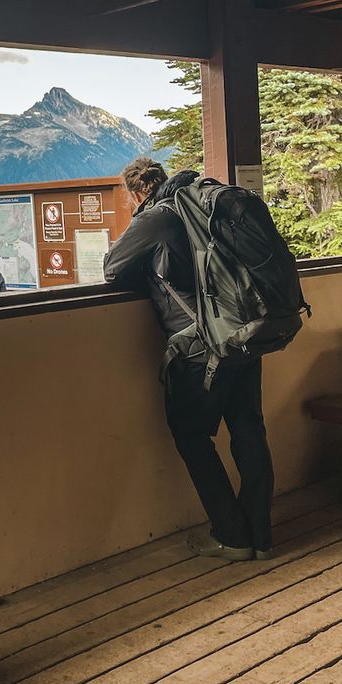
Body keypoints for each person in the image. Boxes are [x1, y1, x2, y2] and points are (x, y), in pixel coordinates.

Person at [102, 157, 274, 563]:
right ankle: (261, 536)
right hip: (245, 335)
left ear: (137, 192)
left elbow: (112, 268)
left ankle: (232, 535)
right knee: (248, 427)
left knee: (192, 435)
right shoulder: (204, 205)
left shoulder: (155, 218)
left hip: (199, 348)